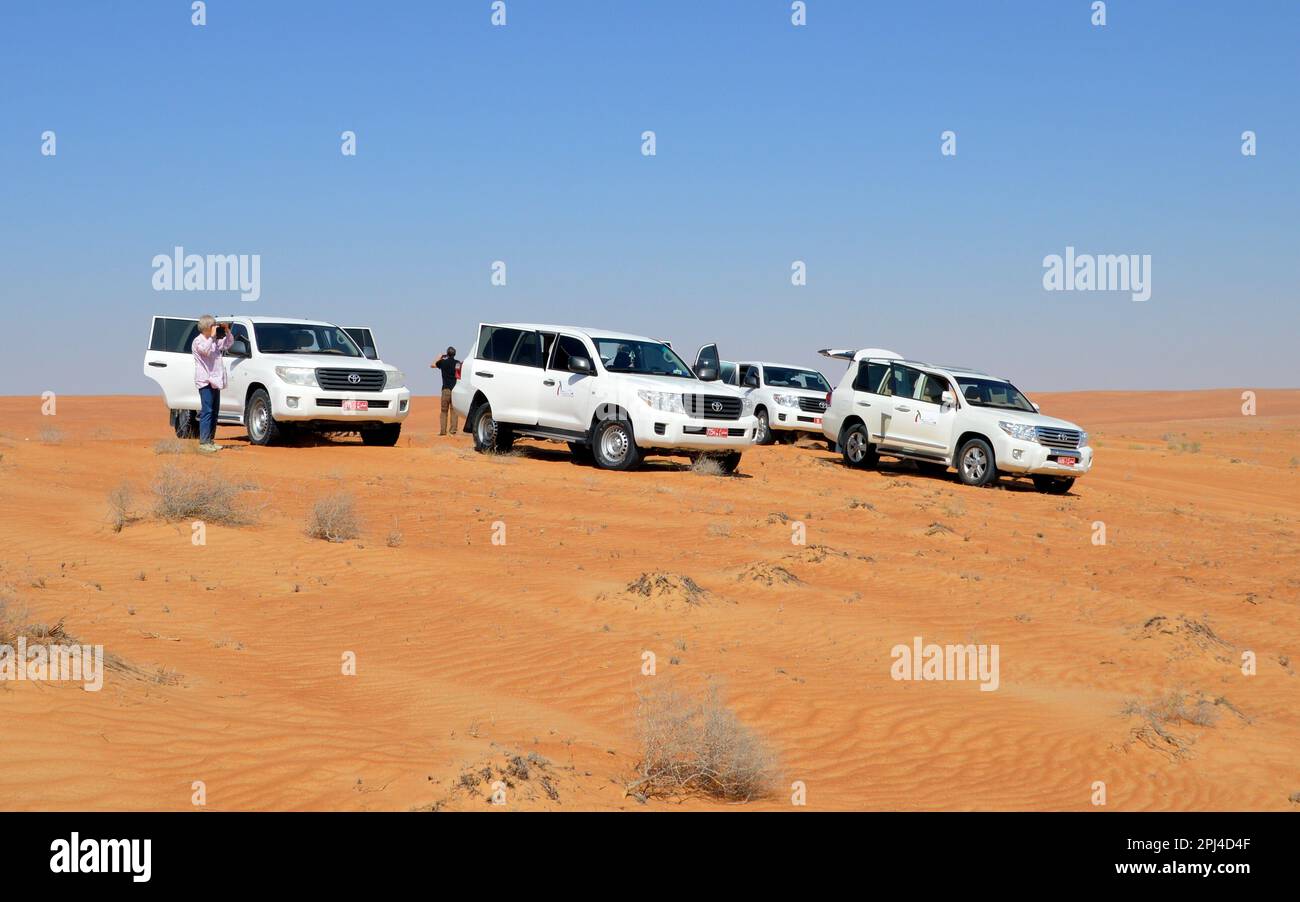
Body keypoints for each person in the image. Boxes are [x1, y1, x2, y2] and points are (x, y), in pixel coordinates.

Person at [192, 315, 235, 452]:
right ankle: (204, 443)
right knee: (207, 411)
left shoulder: (215, 341)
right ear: (206, 328)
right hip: (205, 380)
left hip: (215, 380)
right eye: (213, 326)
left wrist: (227, 331)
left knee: (214, 411)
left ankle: (210, 440)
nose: (215, 328)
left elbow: (228, 344)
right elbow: (204, 350)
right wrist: (212, 337)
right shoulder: (198, 341)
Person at [431, 346, 460, 435]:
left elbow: (432, 365)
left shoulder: (443, 362)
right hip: (455, 390)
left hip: (445, 390)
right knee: (454, 411)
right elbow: (460, 373)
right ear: (454, 354)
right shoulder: (458, 363)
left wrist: (440, 357)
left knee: (444, 411)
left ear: (447, 354)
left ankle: (443, 431)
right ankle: (453, 431)